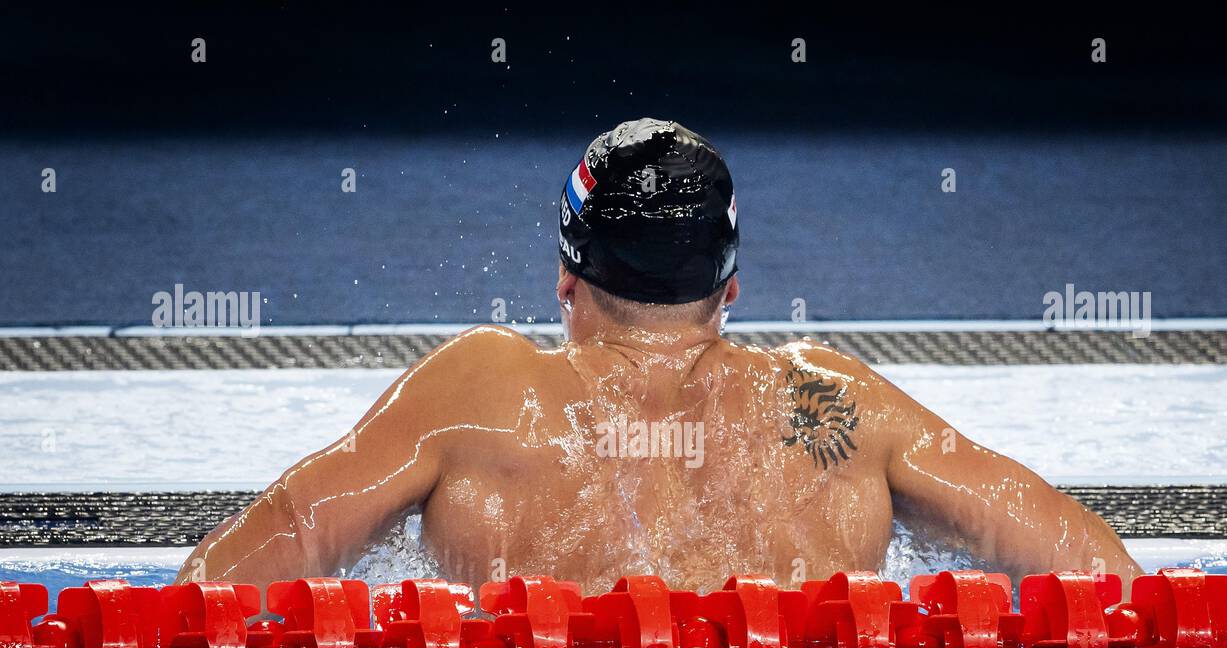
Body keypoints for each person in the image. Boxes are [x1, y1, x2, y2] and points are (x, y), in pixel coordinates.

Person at [178, 118, 1142, 594]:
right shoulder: (832, 407)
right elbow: (1084, 560)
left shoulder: (481, 389)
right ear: (730, 291)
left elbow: (287, 540)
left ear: (566, 278)